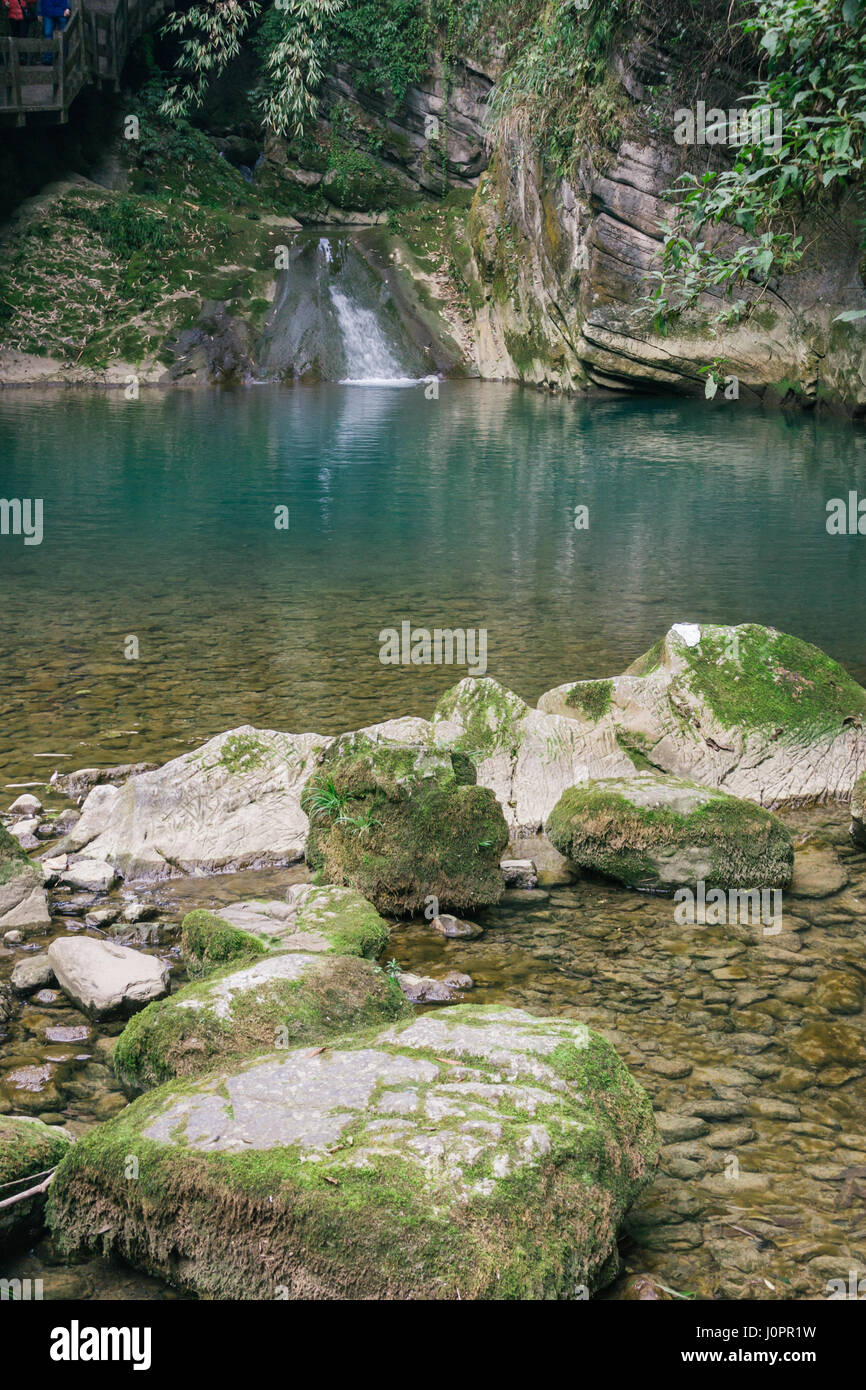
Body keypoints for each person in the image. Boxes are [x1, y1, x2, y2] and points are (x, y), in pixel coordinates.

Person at [3, 0, 35, 65]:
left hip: (23, 16)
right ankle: (15, 58)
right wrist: (5, 1)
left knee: (23, 37)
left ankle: (22, 58)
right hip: (12, 15)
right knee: (14, 37)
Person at [38, 0, 69, 65]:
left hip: (61, 10)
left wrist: (68, 8)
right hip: (48, 10)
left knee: (64, 34)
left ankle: (64, 58)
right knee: (48, 34)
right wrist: (39, 12)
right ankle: (47, 58)